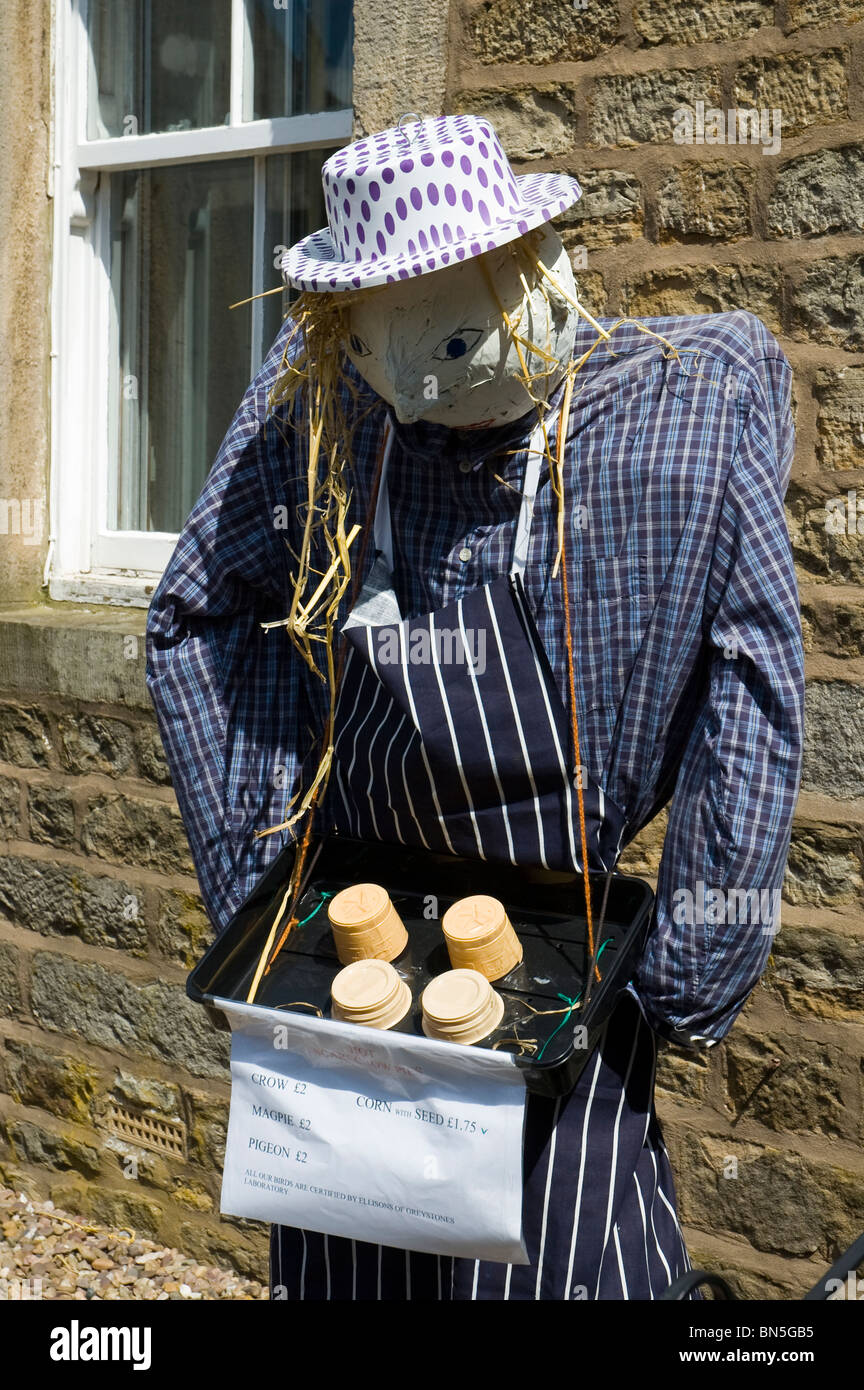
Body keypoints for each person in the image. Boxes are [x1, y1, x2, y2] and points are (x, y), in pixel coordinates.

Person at [146, 115, 805, 1300]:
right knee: (350, 1238)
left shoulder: (685, 411)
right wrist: (274, 886)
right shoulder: (307, 425)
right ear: (348, 331)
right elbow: (189, 617)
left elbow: (754, 675)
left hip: (566, 957)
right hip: (354, 967)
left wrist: (697, 956)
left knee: (565, 1252)